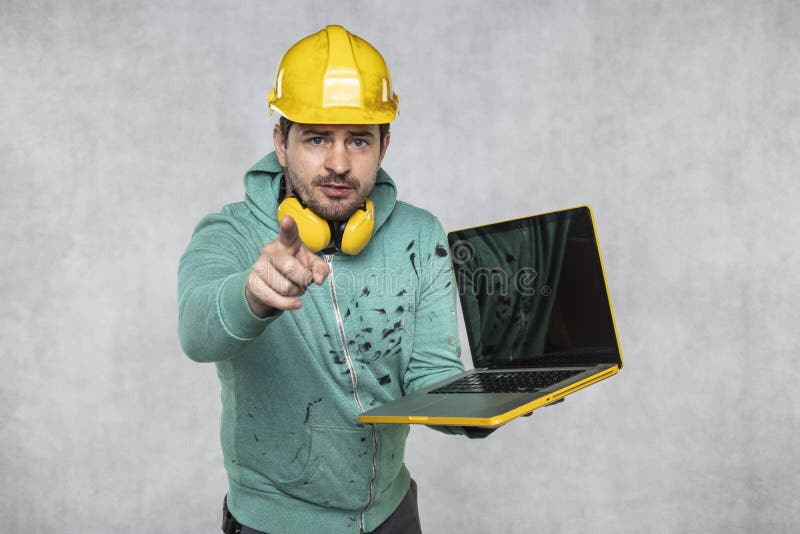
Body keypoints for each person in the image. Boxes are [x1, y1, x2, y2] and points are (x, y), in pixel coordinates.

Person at [178, 25, 491, 534]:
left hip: (393, 515)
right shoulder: (229, 232)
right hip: (272, 526)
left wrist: (487, 404)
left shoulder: (419, 233)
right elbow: (196, 330)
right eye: (317, 137)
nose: (339, 163)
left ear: (385, 145)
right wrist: (254, 297)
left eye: (359, 139)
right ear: (280, 141)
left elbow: (430, 375)